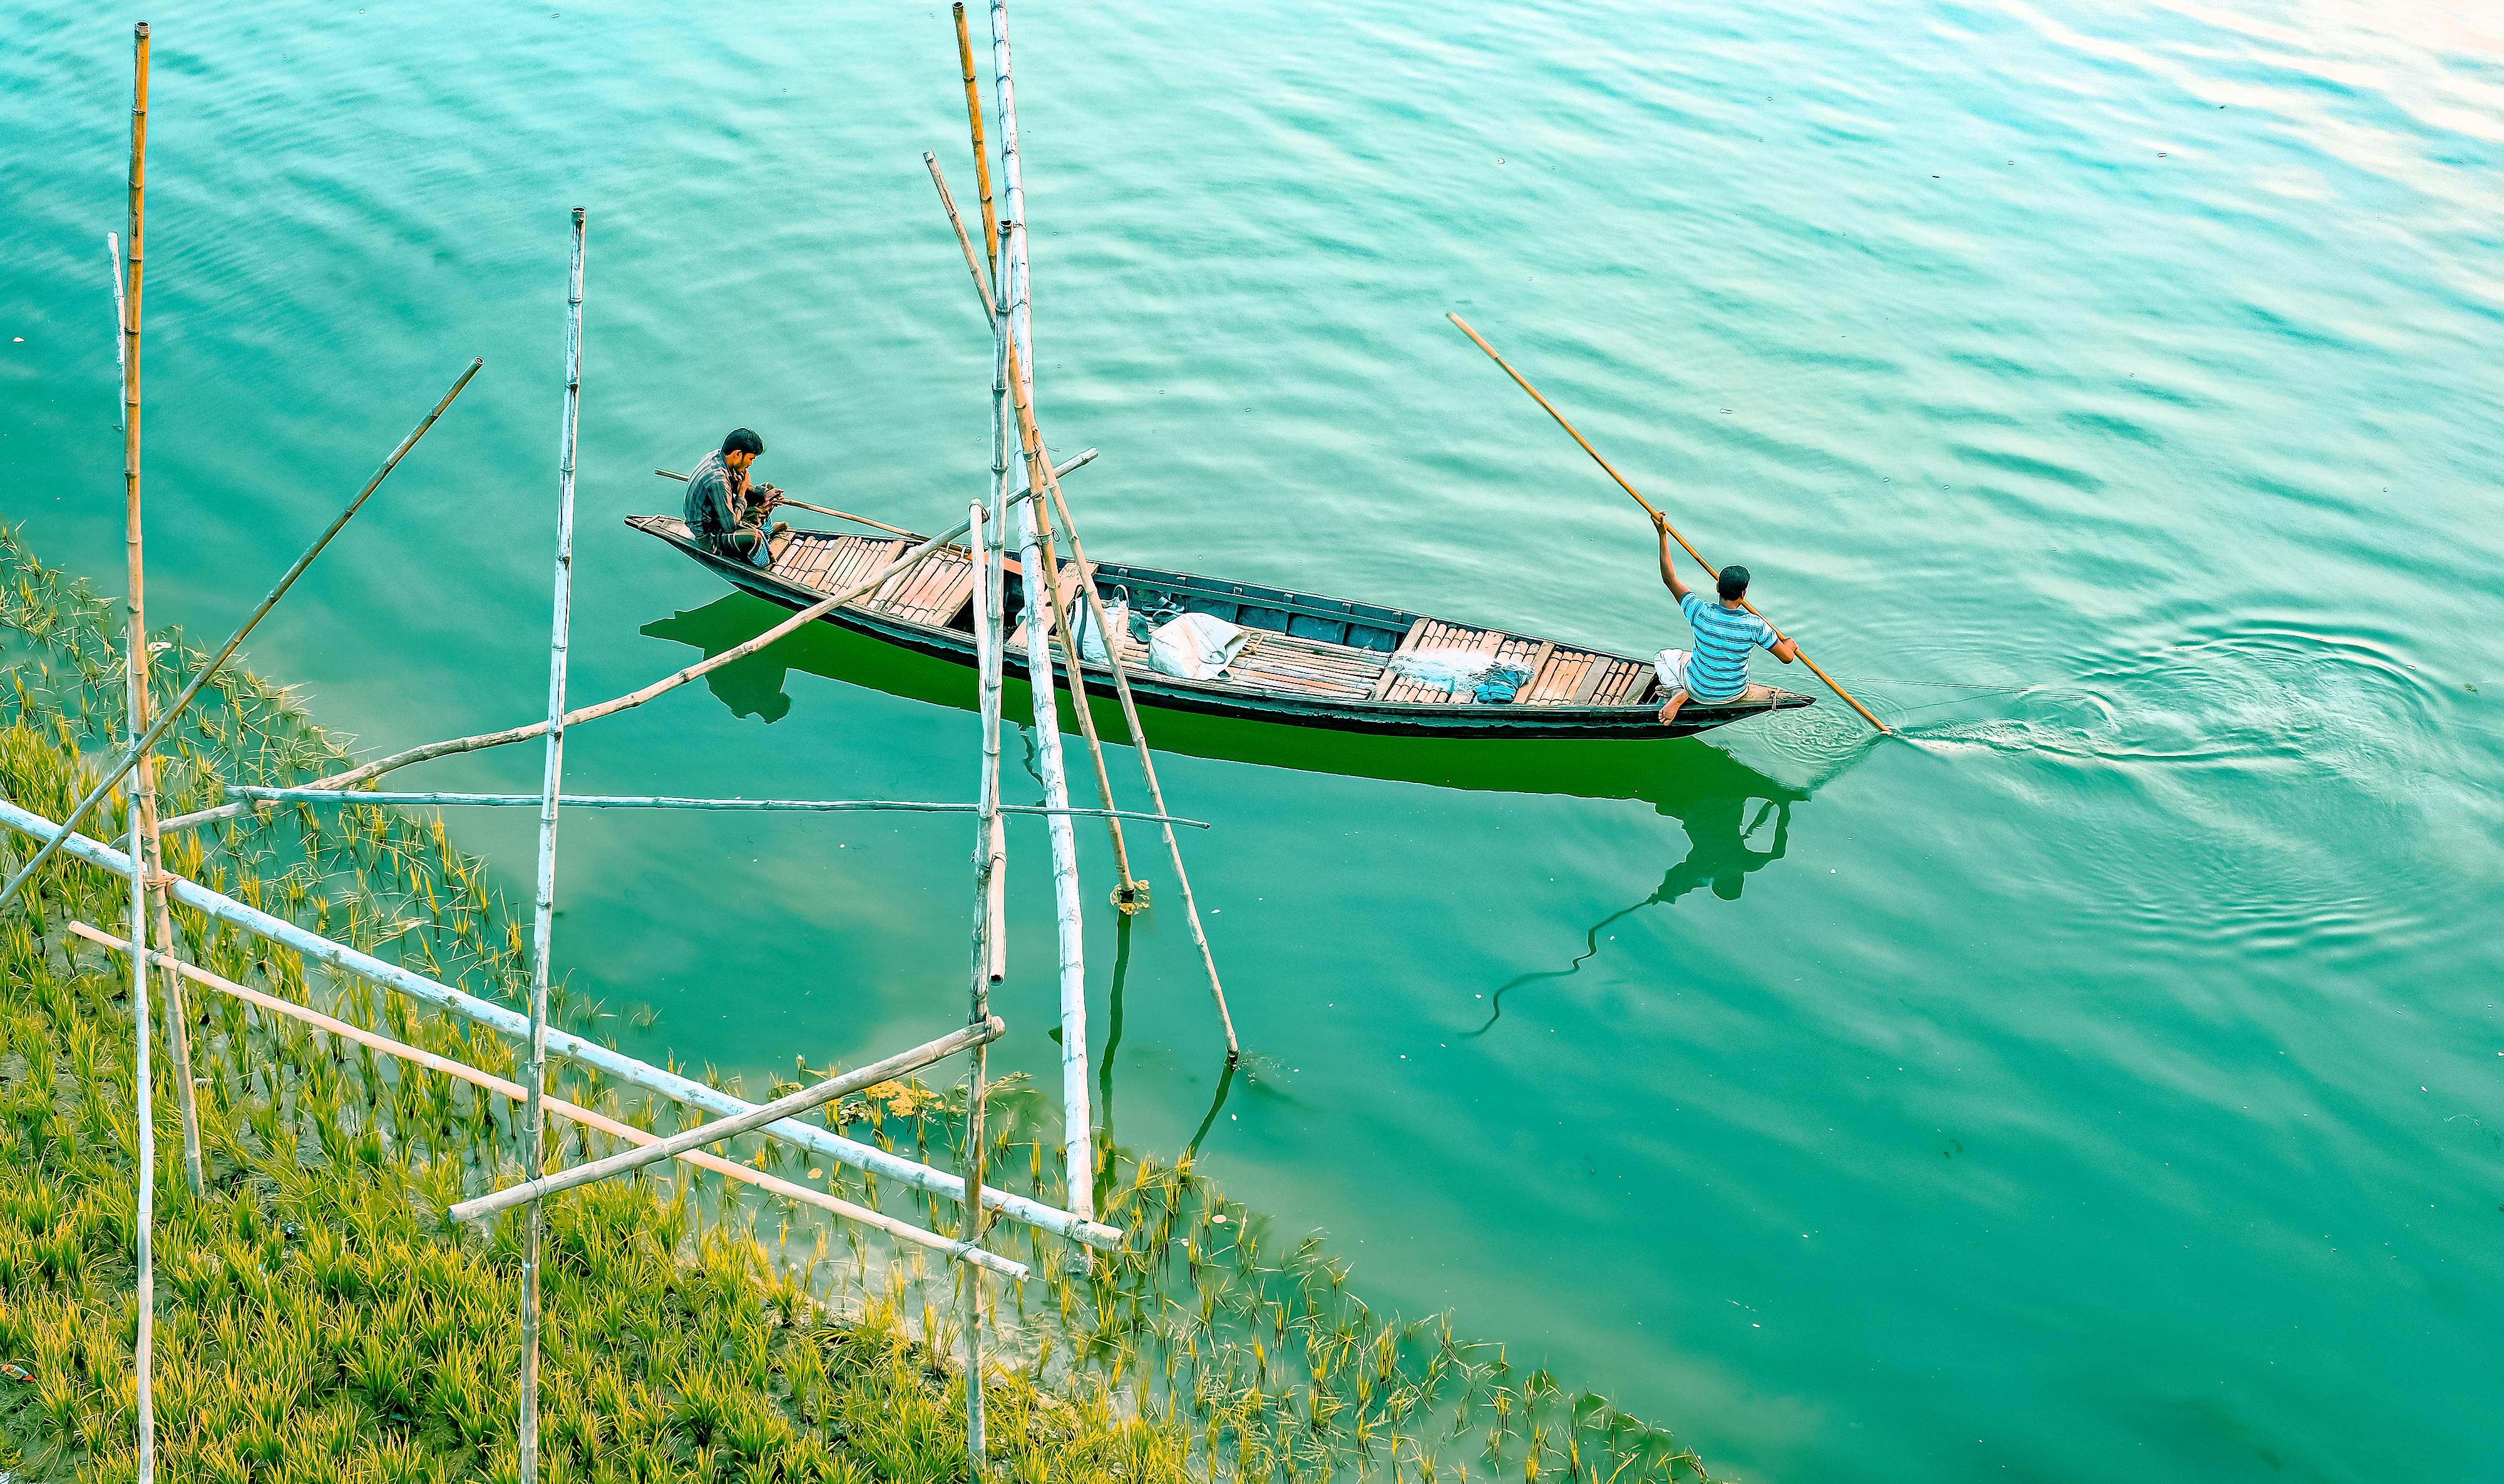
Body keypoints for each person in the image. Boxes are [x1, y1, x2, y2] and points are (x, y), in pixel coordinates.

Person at [1651, 513, 1797, 727]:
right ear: (1744, 594)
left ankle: (1677, 691)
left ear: (1717, 588)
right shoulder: (1755, 625)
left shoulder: (1699, 611)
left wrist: (1663, 535)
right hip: (1735, 693)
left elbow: (1669, 579)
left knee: (1663, 657)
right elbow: (1787, 658)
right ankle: (1685, 690)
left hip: (1698, 690)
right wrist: (1789, 646)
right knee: (1696, 656)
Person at [684, 427, 788, 568]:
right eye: (751, 459)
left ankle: (766, 532)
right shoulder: (717, 480)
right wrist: (742, 491)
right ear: (738, 454)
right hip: (711, 535)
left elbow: (734, 485)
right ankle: (764, 564)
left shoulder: (718, 456)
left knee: (768, 489)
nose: (750, 464)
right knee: (754, 538)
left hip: (718, 515)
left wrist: (764, 495)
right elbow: (730, 527)